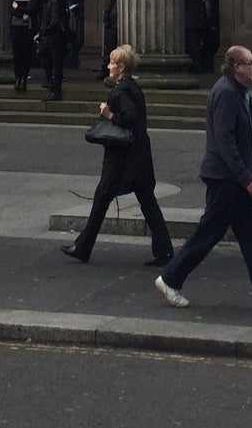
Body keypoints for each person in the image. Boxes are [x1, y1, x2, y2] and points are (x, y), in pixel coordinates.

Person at [154, 45, 252, 313]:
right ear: (237, 67)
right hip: (226, 178)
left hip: (236, 177)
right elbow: (225, 140)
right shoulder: (226, 92)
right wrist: (246, 176)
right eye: (250, 63)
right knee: (209, 232)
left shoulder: (240, 91)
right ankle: (171, 278)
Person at [61, 44, 173, 267]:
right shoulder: (132, 87)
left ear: (121, 67)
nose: (108, 66)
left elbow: (129, 119)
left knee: (103, 197)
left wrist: (108, 114)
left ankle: (83, 247)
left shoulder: (123, 91)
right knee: (147, 201)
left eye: (112, 63)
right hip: (139, 156)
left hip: (122, 158)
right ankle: (164, 251)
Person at [37, 0, 68, 103]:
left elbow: (54, 18)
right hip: (56, 34)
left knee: (52, 59)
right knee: (52, 59)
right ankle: (52, 84)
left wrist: (45, 31)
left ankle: (54, 87)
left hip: (54, 35)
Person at [9, 0, 38, 92]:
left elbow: (32, 10)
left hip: (27, 28)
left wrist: (18, 9)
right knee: (16, 54)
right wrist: (22, 13)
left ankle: (24, 79)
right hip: (15, 27)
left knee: (26, 54)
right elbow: (11, 10)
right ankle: (17, 78)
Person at [184, 0, 210, 73]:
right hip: (201, 25)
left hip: (190, 25)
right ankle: (201, 66)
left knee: (192, 46)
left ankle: (195, 67)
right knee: (199, 46)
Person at [95, 0, 118, 80]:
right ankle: (106, 71)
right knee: (108, 52)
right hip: (112, 29)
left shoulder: (115, 0)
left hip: (115, 28)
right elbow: (107, 12)